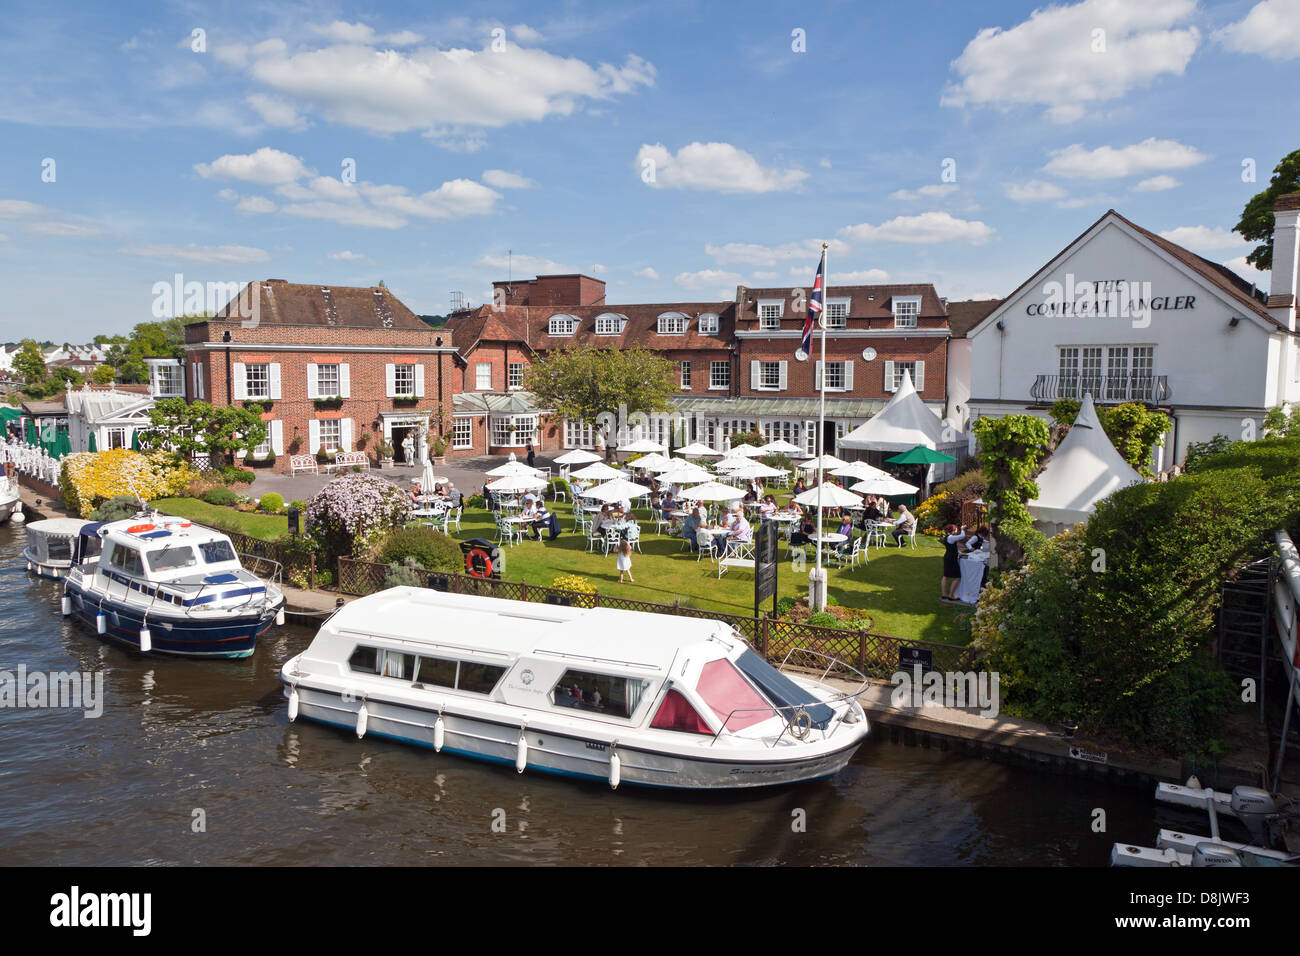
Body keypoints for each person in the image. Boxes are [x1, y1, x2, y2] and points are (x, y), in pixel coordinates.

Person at [940, 524, 968, 601]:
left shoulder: (948, 537)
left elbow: (953, 548)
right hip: (951, 559)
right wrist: (962, 529)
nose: (957, 531)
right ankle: (951, 595)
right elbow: (962, 536)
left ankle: (944, 594)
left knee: (946, 576)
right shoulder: (951, 538)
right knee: (957, 577)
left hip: (947, 557)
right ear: (953, 530)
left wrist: (960, 553)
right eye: (956, 530)